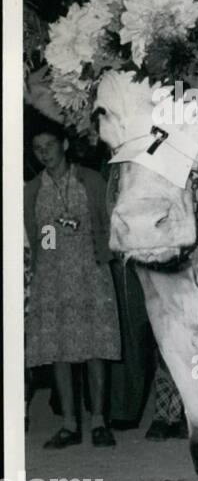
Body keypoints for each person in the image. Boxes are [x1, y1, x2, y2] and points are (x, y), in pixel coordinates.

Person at [24, 118, 121, 448]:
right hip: (53, 279)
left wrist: (91, 239)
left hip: (91, 272)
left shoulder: (90, 180)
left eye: (49, 146)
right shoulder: (34, 189)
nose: (44, 153)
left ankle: (99, 421)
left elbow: (109, 223)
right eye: (38, 149)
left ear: (64, 145)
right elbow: (39, 238)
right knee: (59, 352)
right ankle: (68, 424)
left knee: (95, 349)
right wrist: (55, 233)